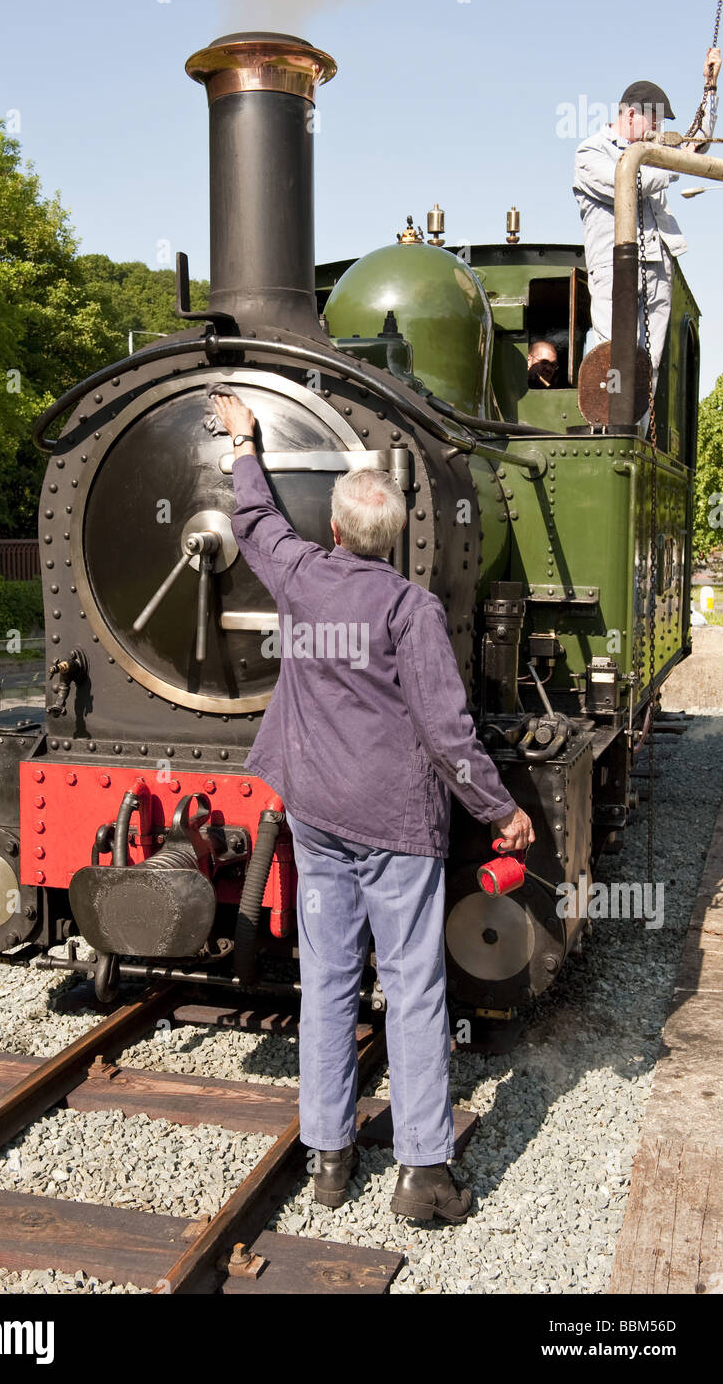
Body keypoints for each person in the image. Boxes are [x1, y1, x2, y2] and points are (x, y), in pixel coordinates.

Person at [213, 390, 534, 1223]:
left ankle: (328, 1153)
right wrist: (498, 811)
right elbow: (447, 730)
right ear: (394, 541)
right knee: (413, 987)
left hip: (317, 815)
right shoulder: (408, 608)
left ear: (335, 532)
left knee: (324, 979)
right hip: (394, 826)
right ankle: (423, 1172)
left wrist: (246, 445)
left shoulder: (302, 577)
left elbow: (255, 526)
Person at [573, 50, 721, 384]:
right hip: (615, 266)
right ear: (627, 114)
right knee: (617, 355)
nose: (657, 130)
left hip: (657, 264)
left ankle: (639, 433)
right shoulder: (590, 152)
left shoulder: (651, 150)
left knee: (648, 366)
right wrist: (672, 164)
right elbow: (625, 182)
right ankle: (614, 429)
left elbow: (696, 144)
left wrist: (710, 87)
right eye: (652, 121)